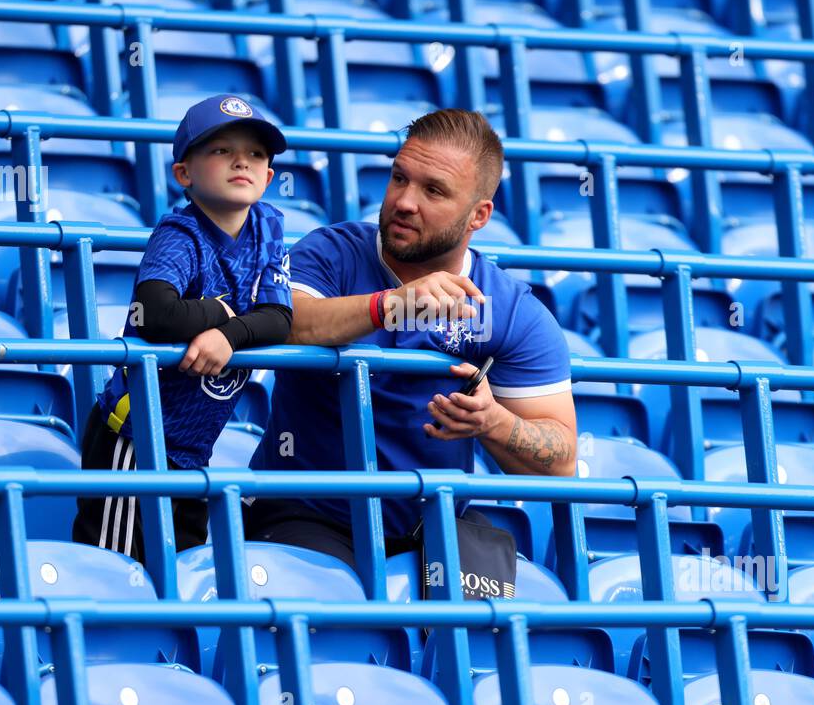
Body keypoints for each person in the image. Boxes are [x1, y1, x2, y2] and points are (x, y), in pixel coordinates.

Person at [246, 108, 577, 566]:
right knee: (334, 621)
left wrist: (493, 422)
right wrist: (391, 304)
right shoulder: (332, 252)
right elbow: (288, 322)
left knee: (496, 623)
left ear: (478, 215)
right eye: (399, 178)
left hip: (437, 523)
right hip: (306, 513)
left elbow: (559, 463)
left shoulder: (509, 307)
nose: (404, 201)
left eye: (433, 190)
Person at [73, 94, 293, 563]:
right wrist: (221, 312)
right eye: (220, 150)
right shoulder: (180, 233)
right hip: (135, 438)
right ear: (184, 174)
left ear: (270, 176)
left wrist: (227, 335)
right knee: (115, 567)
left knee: (178, 567)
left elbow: (279, 318)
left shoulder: (268, 225)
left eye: (256, 154)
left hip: (193, 445)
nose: (242, 161)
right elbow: (154, 313)